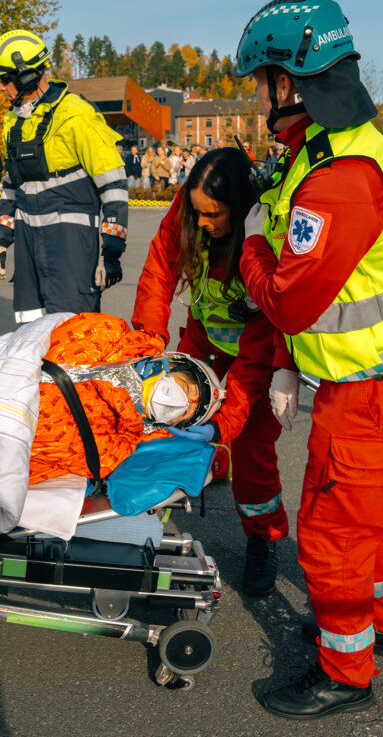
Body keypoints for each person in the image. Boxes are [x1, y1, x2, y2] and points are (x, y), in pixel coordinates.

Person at [234, 0, 383, 719]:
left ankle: (345, 669)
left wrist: (247, 241)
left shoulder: (338, 180)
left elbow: (290, 298)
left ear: (290, 81)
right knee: (371, 515)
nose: (260, 96)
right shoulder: (338, 149)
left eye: (263, 81)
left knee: (332, 530)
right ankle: (380, 623)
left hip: (378, 384)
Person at [132, 147, 290, 597]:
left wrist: (227, 420)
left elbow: (256, 359)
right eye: (196, 212)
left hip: (254, 350)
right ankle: (207, 466)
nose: (202, 223)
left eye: (213, 215)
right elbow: (158, 270)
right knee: (173, 413)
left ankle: (264, 536)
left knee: (253, 450)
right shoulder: (188, 211)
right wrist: (147, 342)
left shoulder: (263, 245)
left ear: (239, 209)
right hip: (204, 338)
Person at [0, 29, 129, 322]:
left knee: (74, 332)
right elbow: (11, 187)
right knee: (29, 327)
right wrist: (2, 241)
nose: (0, 87)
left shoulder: (76, 114)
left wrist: (110, 252)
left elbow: (113, 185)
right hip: (27, 246)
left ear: (25, 76)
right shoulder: (12, 121)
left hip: (70, 245)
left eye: (4, 79)